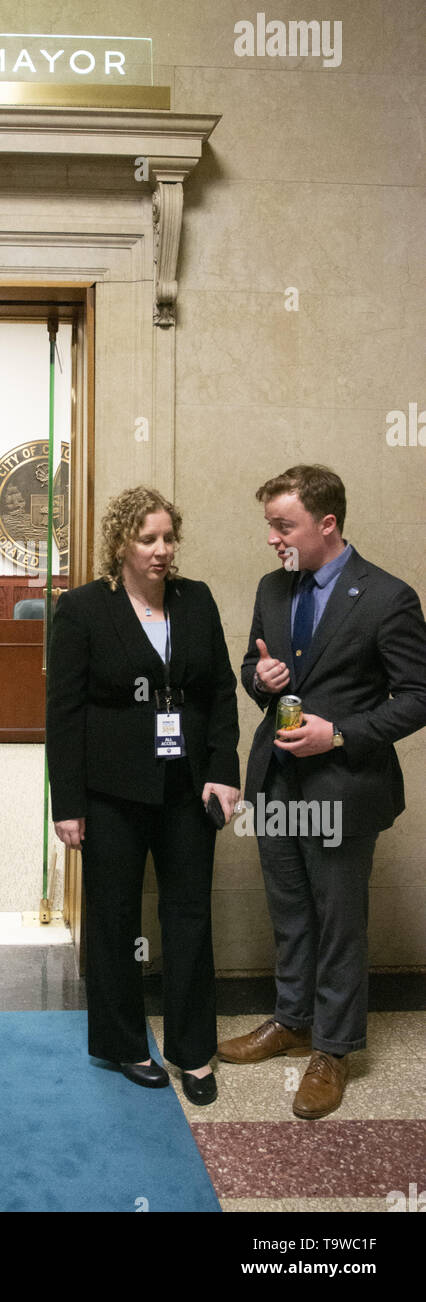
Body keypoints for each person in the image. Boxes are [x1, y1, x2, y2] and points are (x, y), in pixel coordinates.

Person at [219, 465, 426, 1118]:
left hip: (344, 784)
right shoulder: (272, 588)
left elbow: (418, 696)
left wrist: (338, 735)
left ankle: (333, 1050)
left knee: (339, 921)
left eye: (284, 526)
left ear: (327, 524)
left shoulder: (389, 597)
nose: (273, 538)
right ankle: (292, 1020)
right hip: (277, 782)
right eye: (269, 526)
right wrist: (264, 677)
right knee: (290, 911)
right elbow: (252, 666)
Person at [46, 487, 240, 1106]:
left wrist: (224, 770)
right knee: (114, 918)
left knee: (188, 917)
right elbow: (64, 713)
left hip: (187, 788)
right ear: (121, 545)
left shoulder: (196, 599)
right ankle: (125, 1042)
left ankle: (192, 1052)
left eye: (168, 538)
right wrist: (67, 803)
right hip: (111, 792)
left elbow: (219, 694)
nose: (161, 551)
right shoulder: (82, 609)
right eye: (147, 539)